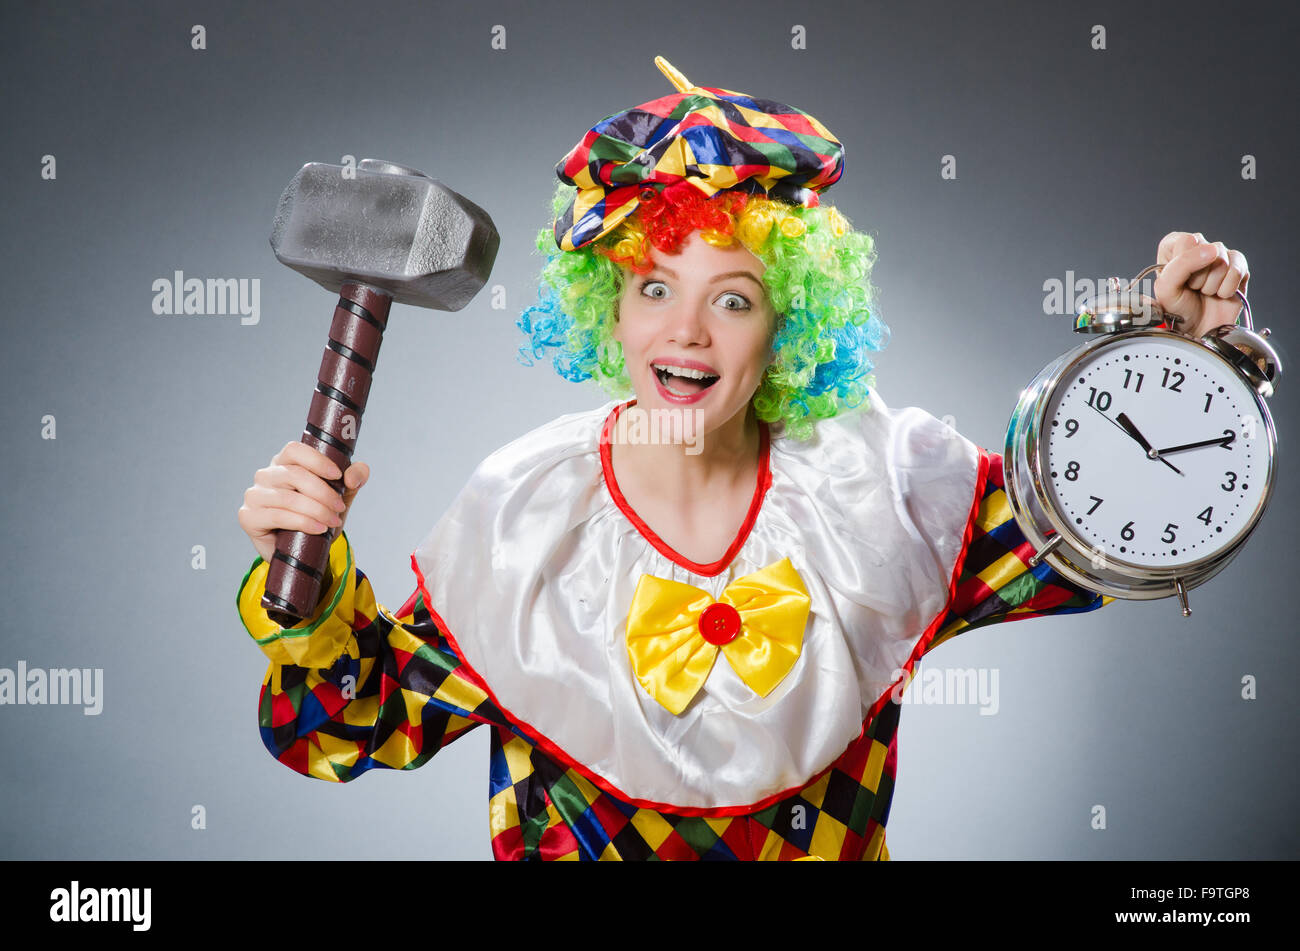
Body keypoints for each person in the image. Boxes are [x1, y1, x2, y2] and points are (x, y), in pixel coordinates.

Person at [235, 58, 1250, 860]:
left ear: (786, 325)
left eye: (732, 297)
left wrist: (1171, 343)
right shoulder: (522, 516)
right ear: (609, 311)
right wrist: (311, 578)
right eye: (652, 289)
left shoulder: (881, 489)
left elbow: (1092, 526)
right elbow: (351, 727)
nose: (686, 334)